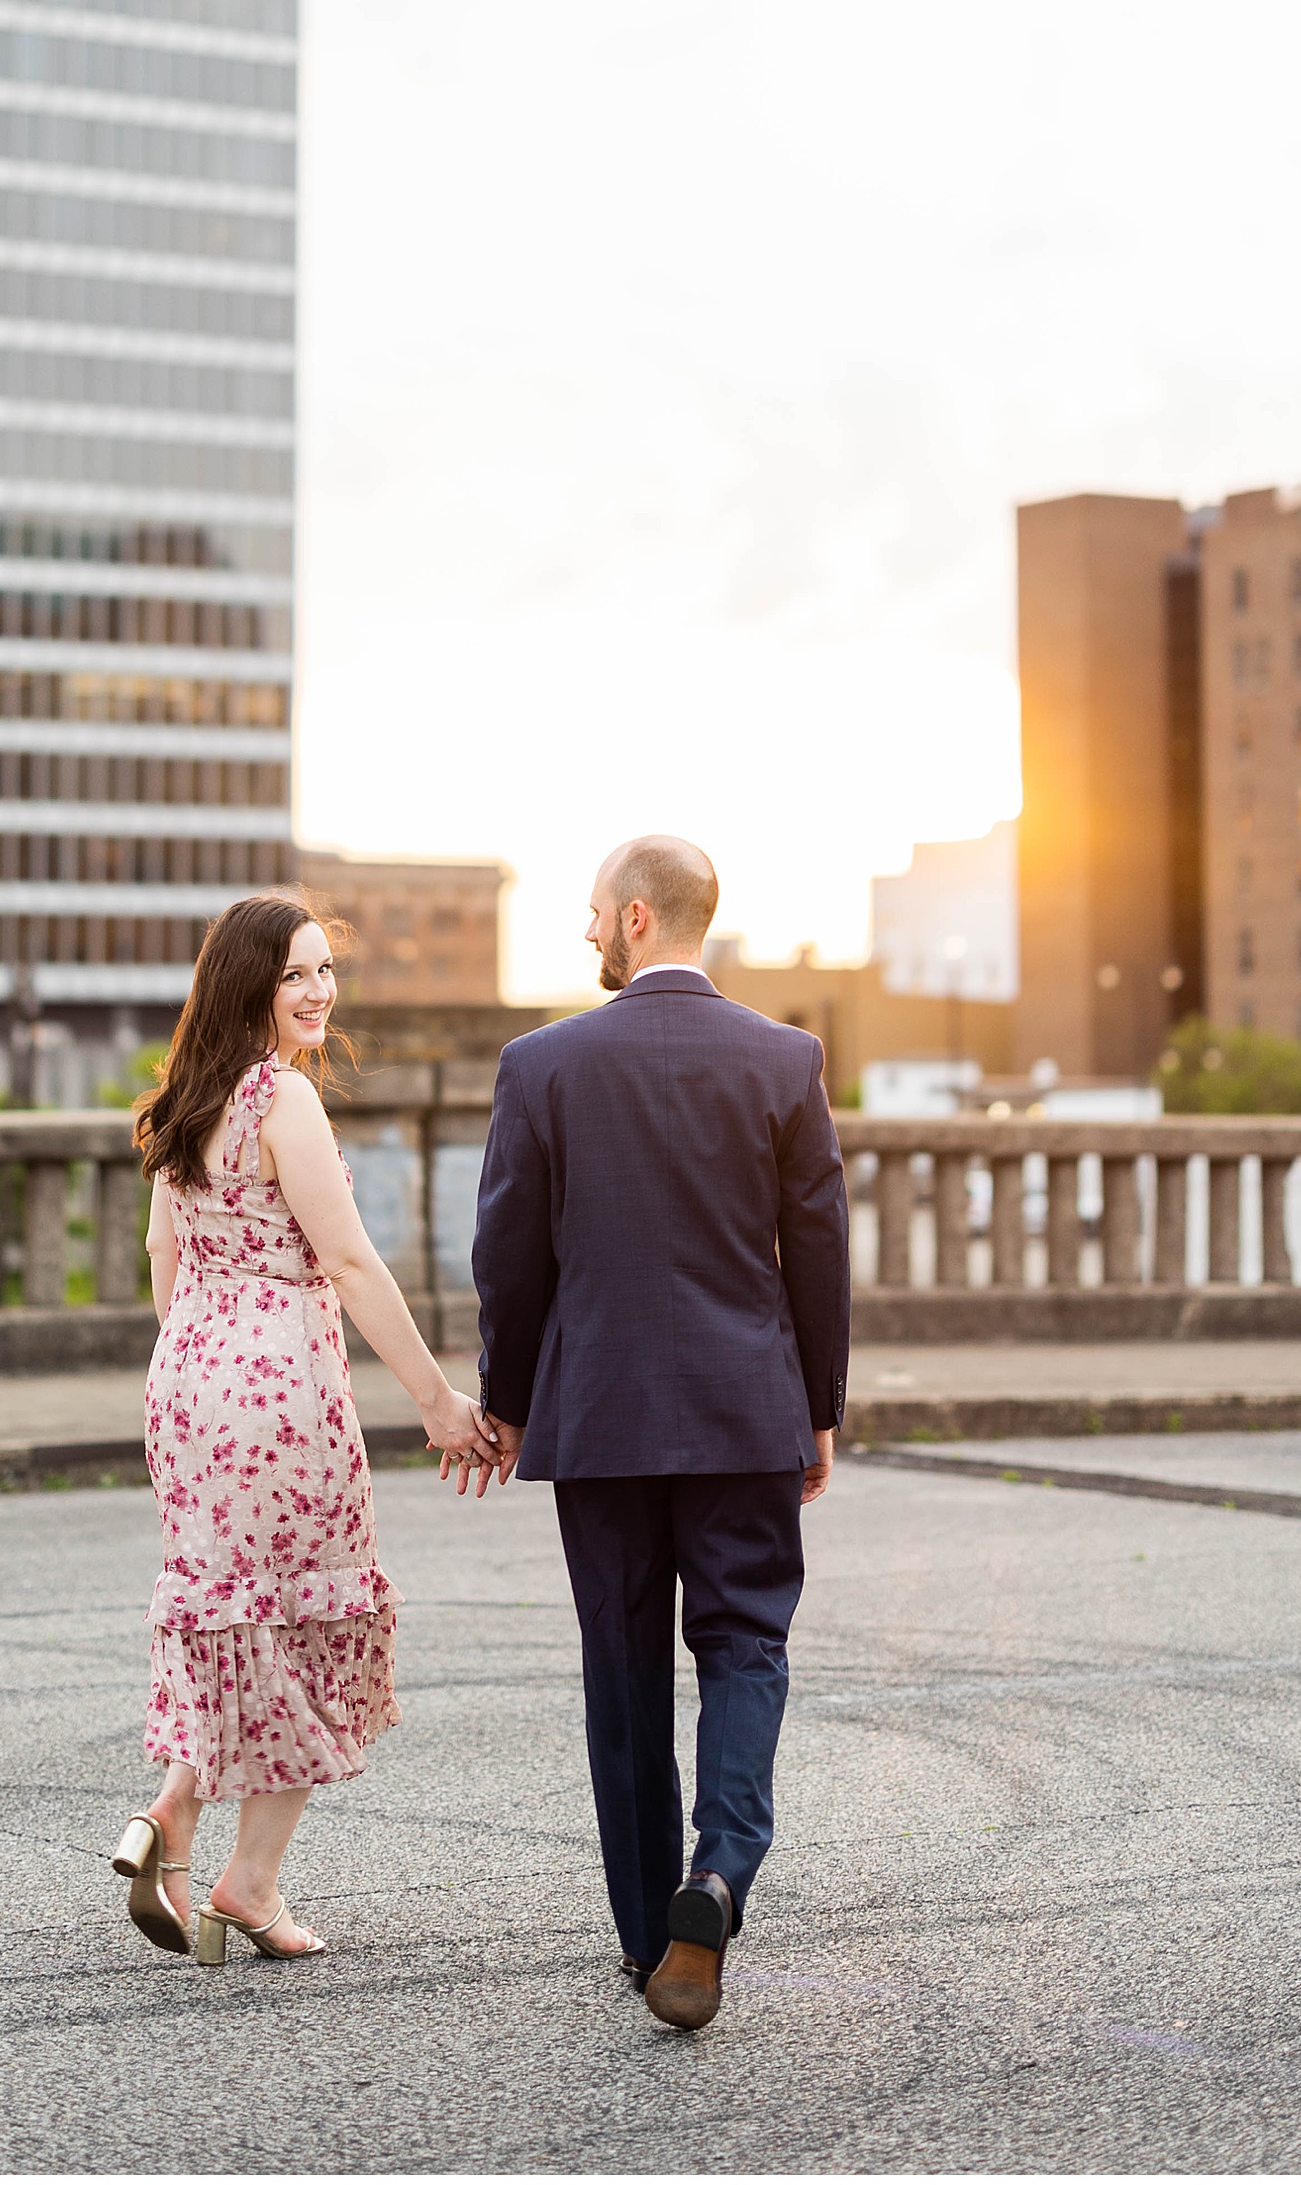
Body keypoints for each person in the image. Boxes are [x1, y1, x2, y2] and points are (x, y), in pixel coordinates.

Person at [469, 835, 851, 2031]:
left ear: (636, 918)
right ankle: (717, 1873)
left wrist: (509, 1393)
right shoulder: (784, 1058)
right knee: (744, 1643)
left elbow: (506, 1255)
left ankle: (647, 1938)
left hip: (599, 1417)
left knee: (623, 1669)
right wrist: (818, 1405)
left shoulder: (542, 1064)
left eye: (590, 914)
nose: (584, 932)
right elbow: (820, 1250)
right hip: (745, 1409)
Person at [110, 889, 495, 1962]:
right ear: (252, 986)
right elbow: (351, 1262)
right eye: (295, 974)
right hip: (278, 1392)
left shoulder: (182, 1099)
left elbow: (161, 1253)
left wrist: (199, 1356)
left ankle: (173, 1812)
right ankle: (247, 1879)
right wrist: (437, 1401)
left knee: (241, 1616)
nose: (319, 989)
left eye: (326, 969)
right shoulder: (281, 1100)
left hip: (185, 1383)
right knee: (314, 1622)